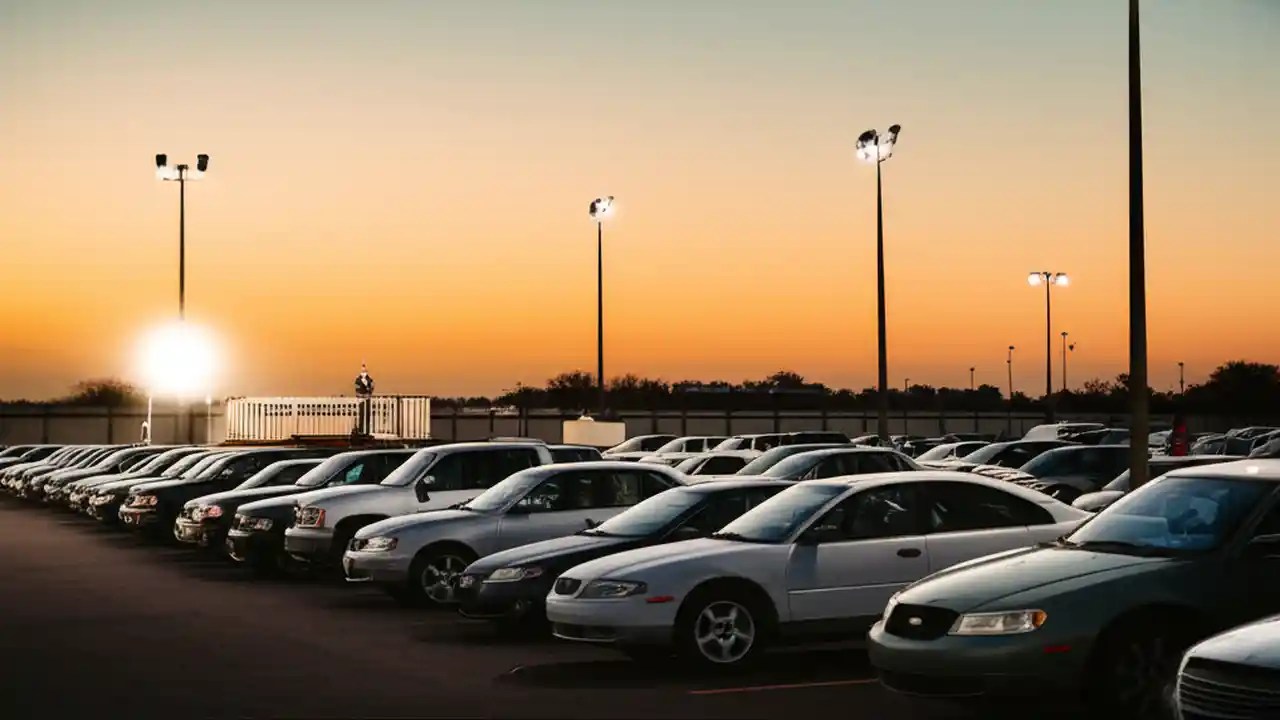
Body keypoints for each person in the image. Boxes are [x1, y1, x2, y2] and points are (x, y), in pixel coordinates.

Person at [354, 363, 375, 435]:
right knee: (361, 415)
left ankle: (367, 430)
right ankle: (361, 430)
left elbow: (372, 388)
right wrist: (360, 395)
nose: (363, 373)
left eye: (364, 371)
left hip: (367, 399)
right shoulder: (358, 380)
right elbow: (356, 389)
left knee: (367, 415)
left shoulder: (370, 380)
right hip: (361, 400)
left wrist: (368, 392)